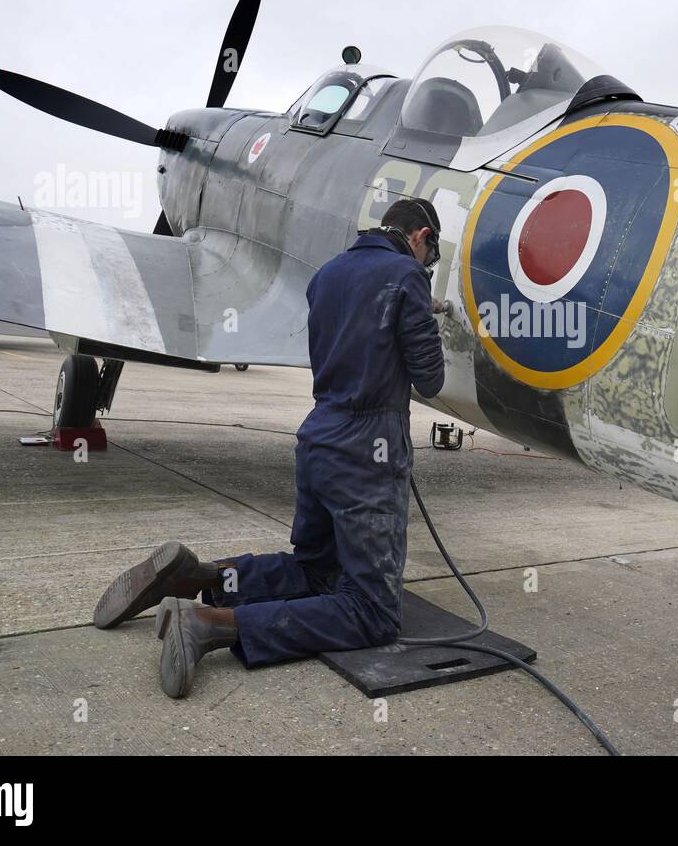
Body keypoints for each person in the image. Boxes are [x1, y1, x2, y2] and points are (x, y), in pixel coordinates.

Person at [92, 197, 446, 698]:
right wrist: (424, 315)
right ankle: (208, 623)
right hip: (369, 452)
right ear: (421, 237)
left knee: (316, 571)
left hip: (318, 440)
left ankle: (201, 576)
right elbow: (430, 379)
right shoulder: (408, 277)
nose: (427, 262)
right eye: (430, 252)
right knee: (372, 613)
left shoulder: (327, 274)